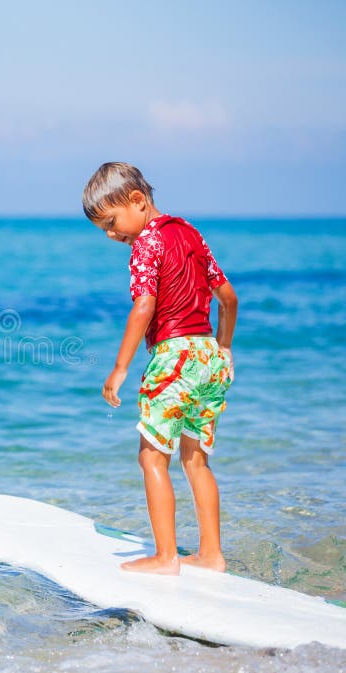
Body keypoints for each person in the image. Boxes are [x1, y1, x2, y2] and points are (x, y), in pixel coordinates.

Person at [82, 162, 238, 575]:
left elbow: (145, 306)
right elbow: (229, 298)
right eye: (105, 230)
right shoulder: (189, 233)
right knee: (195, 459)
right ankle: (211, 555)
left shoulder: (146, 244)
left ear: (137, 200)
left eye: (112, 223)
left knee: (152, 458)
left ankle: (166, 556)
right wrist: (224, 348)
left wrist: (119, 368)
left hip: (174, 357)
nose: (113, 235)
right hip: (208, 356)